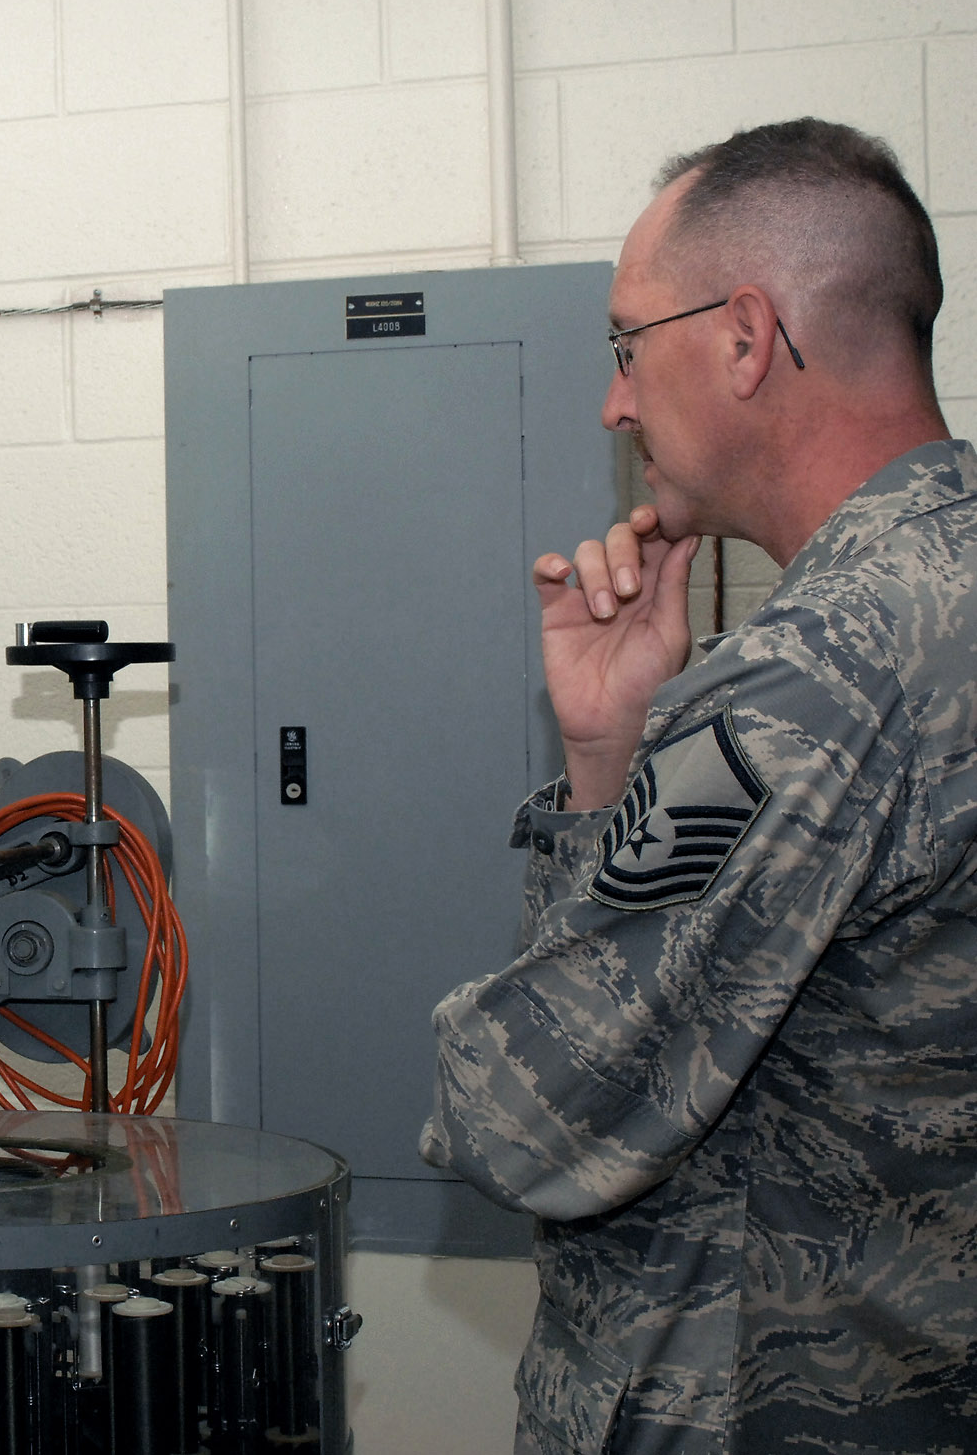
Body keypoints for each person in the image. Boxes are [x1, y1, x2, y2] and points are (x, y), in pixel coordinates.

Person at [422, 118, 977, 1452]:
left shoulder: (822, 673)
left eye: (627, 345)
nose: (615, 400)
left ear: (743, 335)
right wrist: (613, 757)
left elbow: (514, 1116)